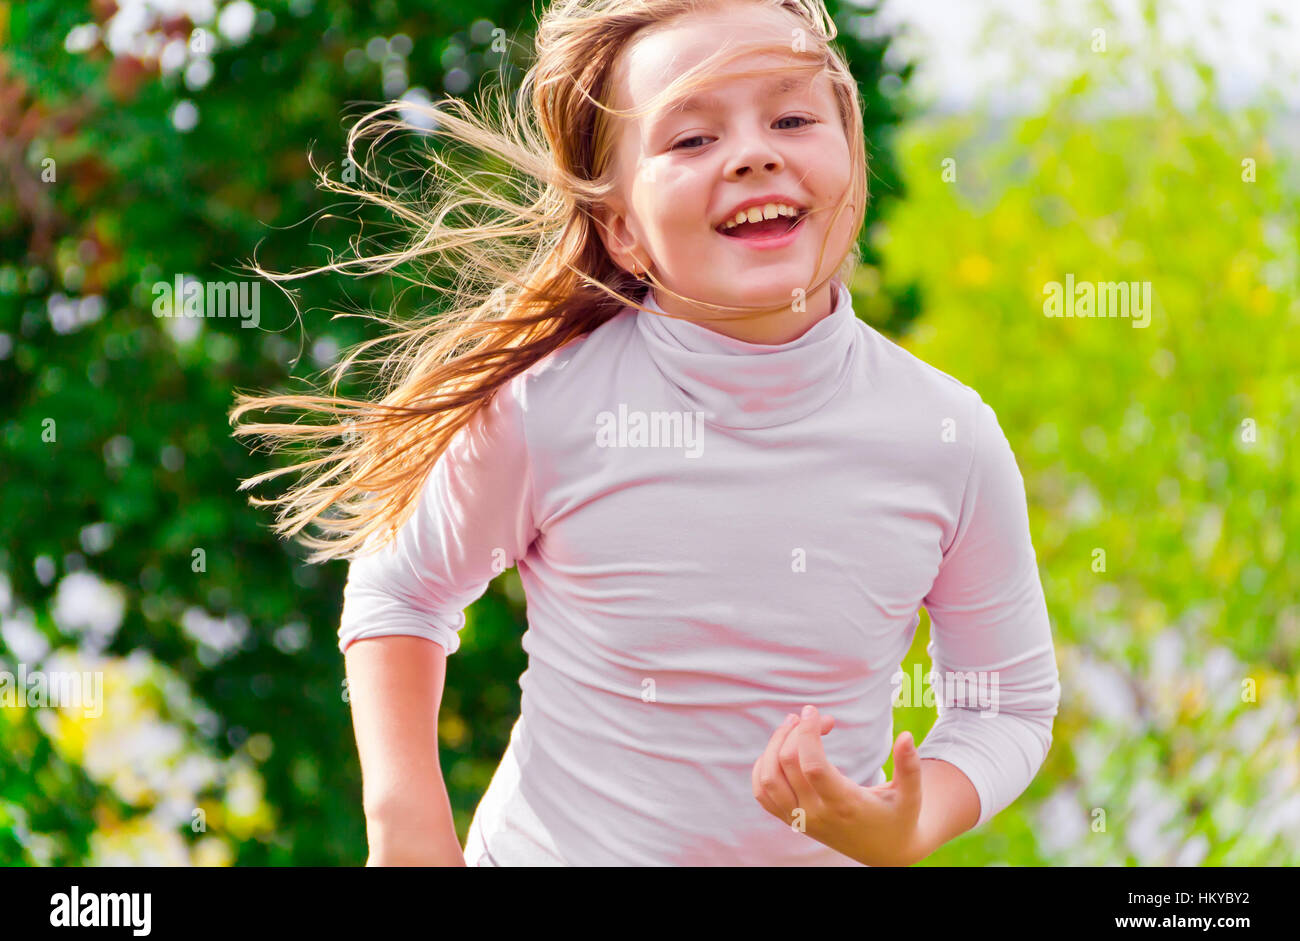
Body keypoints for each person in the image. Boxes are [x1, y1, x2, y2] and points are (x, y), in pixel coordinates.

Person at [231, 0, 1061, 866]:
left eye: (792, 117)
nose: (754, 152)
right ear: (622, 230)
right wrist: (407, 832)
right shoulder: (551, 409)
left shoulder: (946, 435)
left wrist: (910, 822)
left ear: (851, 160)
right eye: (692, 139)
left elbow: (1006, 704)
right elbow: (402, 591)